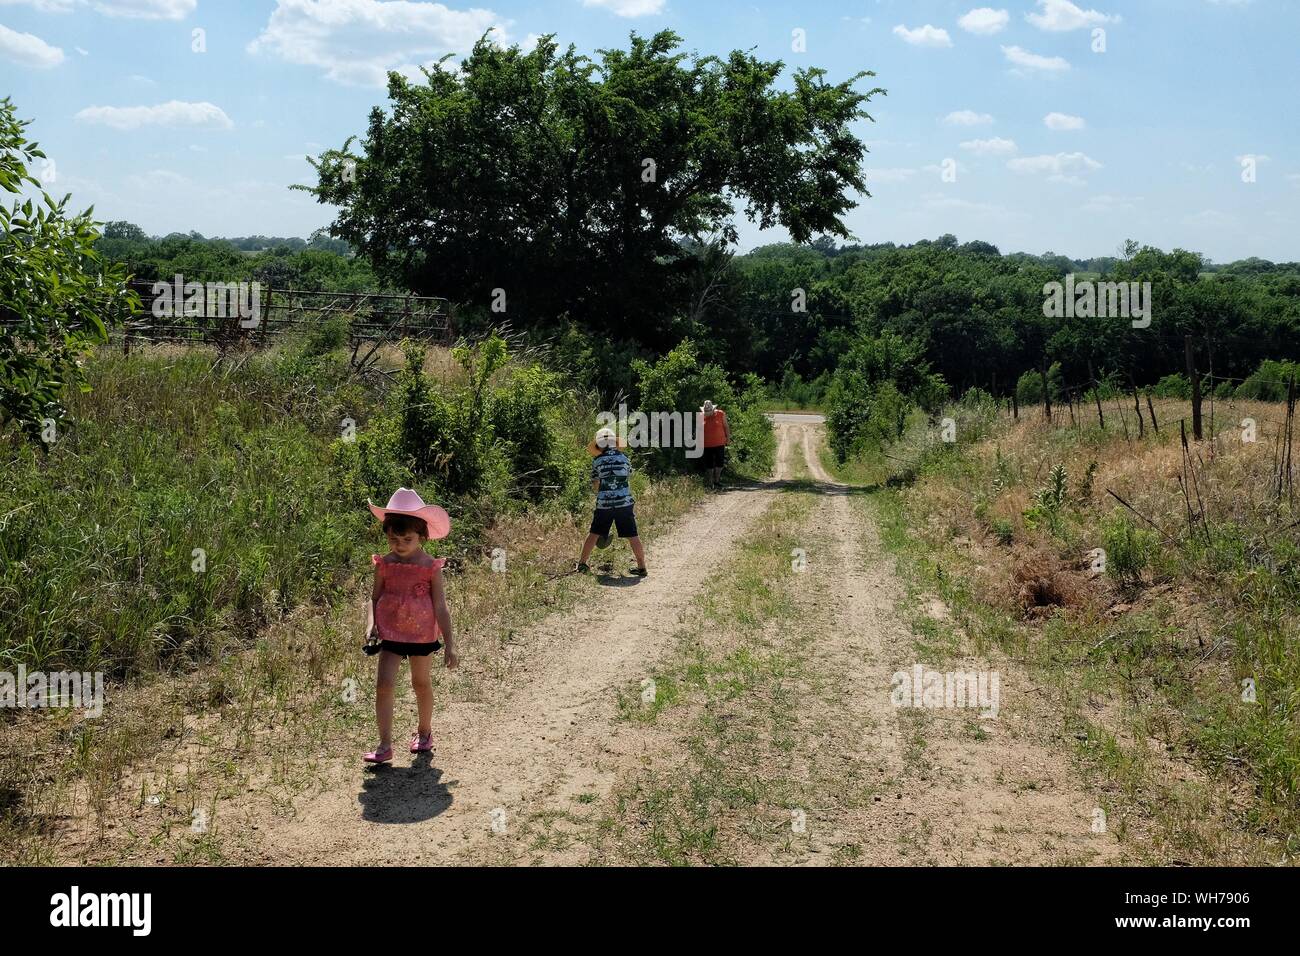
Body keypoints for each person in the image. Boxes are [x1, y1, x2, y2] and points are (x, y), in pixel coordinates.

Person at [362, 488, 456, 764]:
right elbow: (374, 597)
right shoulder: (384, 564)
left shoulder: (430, 566)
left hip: (421, 634)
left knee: (420, 683)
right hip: (390, 631)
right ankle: (384, 745)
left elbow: (440, 605)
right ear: (386, 535)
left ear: (422, 537)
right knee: (384, 685)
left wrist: (450, 643)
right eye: (394, 538)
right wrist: (371, 624)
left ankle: (424, 732)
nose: (400, 544)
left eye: (407, 539)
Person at [577, 427, 648, 577]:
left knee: (594, 533)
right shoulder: (625, 459)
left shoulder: (597, 461)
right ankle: (641, 567)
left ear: (599, 445)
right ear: (614, 442)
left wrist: (602, 492)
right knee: (632, 535)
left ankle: (582, 564)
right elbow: (627, 477)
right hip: (624, 503)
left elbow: (596, 484)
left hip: (605, 504)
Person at [701, 399, 730, 489]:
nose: (707, 413)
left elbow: (726, 426)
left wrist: (728, 438)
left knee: (719, 462)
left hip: (720, 442)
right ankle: (710, 482)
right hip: (707, 444)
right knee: (709, 464)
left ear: (713, 409)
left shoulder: (720, 414)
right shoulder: (701, 416)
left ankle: (717, 481)